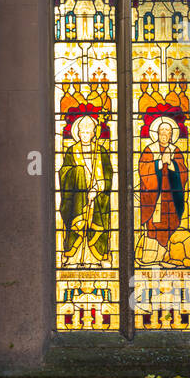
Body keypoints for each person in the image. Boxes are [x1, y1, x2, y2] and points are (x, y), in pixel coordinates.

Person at [58, 114, 112, 267]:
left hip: (98, 198)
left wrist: (97, 188)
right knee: (76, 225)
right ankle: (72, 257)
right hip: (77, 198)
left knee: (97, 225)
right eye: (82, 132)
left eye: (88, 132)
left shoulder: (100, 151)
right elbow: (64, 172)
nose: (85, 135)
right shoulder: (72, 151)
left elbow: (109, 176)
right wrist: (78, 173)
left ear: (94, 133)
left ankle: (99, 257)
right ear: (78, 133)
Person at [138, 117, 188, 265]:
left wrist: (171, 163)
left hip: (171, 196)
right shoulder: (149, 150)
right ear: (157, 133)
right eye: (162, 132)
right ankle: (151, 258)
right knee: (154, 225)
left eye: (168, 132)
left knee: (171, 223)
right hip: (155, 197)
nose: (164, 135)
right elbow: (143, 170)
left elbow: (183, 172)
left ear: (172, 134)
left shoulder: (175, 151)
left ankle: (166, 255)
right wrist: (160, 162)